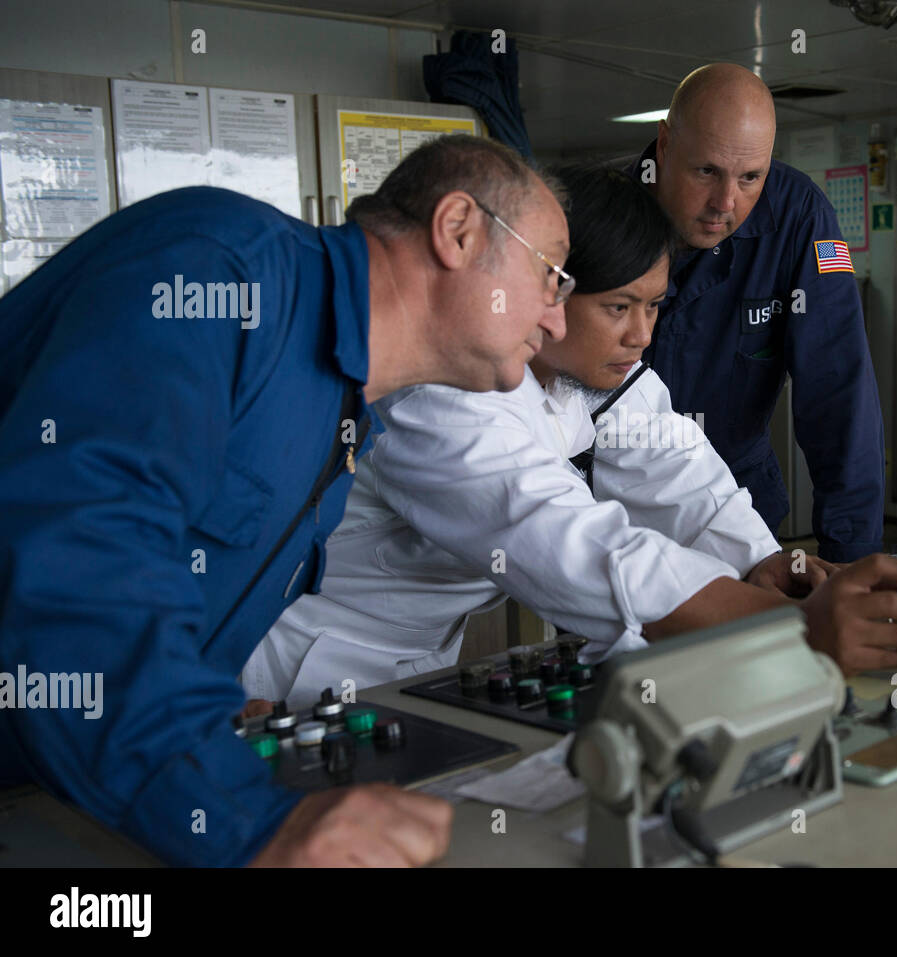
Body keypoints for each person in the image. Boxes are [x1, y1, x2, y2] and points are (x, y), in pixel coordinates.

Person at [0, 134, 569, 866]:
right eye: (550, 273)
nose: (556, 318)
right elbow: (80, 559)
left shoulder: (347, 407)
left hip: (54, 779)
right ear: (458, 229)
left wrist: (203, 706)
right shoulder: (218, 269)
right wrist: (251, 820)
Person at [242, 166, 897, 710]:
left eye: (654, 306)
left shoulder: (593, 375)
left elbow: (687, 480)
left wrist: (764, 567)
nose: (641, 334)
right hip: (298, 677)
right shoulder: (437, 396)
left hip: (414, 671)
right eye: (617, 306)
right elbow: (577, 546)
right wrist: (791, 626)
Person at [631, 63, 886, 562]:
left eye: (751, 177)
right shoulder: (602, 217)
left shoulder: (799, 217)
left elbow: (839, 392)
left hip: (739, 504)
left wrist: (853, 559)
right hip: (620, 517)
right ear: (664, 144)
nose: (725, 203)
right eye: (706, 171)